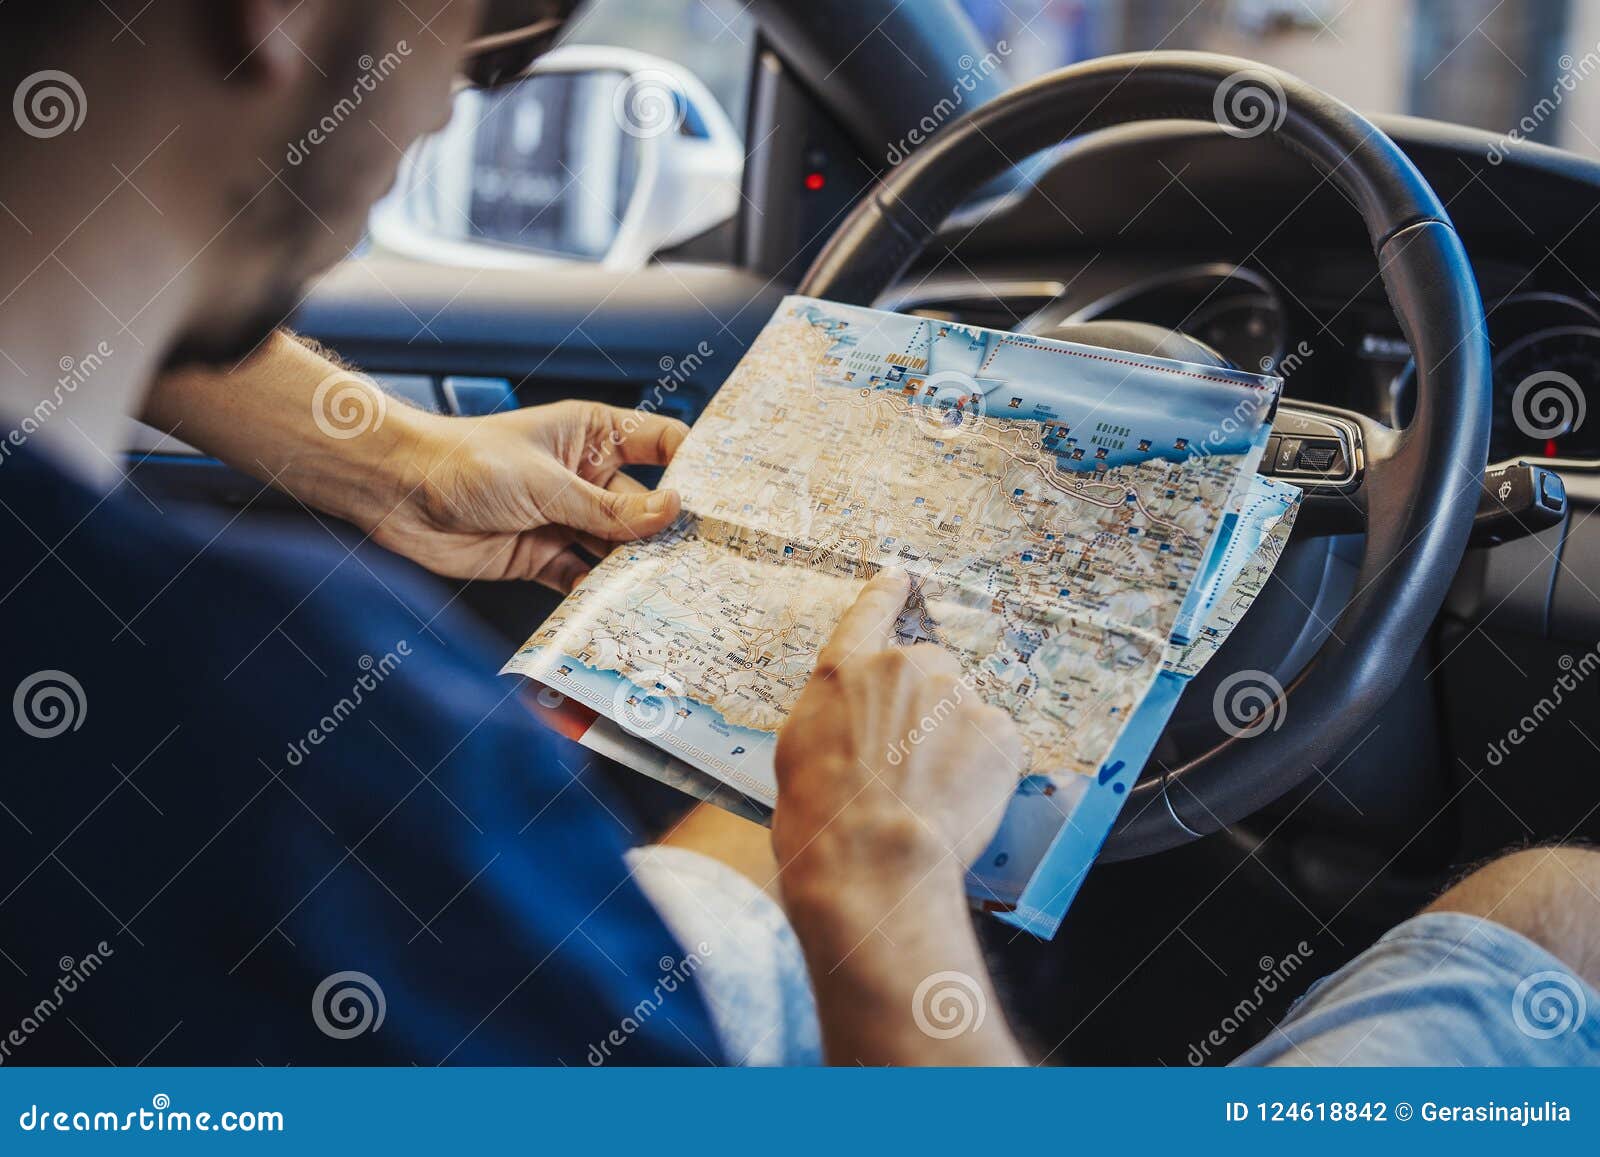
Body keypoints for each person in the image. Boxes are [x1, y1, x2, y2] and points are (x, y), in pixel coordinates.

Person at [1, 0, 1595, 1070]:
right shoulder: (288, 731)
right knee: (1558, 912)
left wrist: (391, 460)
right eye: (494, 30)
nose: (451, 95)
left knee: (752, 821)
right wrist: (889, 881)